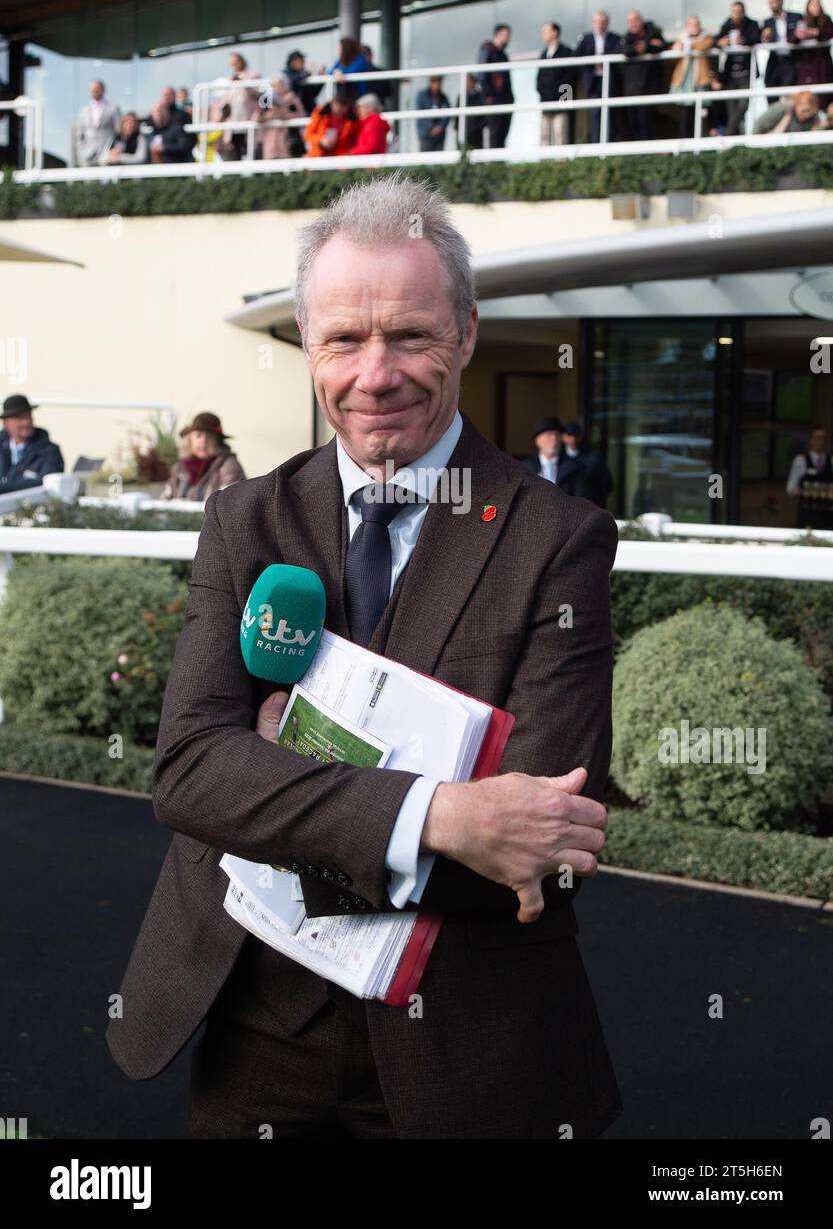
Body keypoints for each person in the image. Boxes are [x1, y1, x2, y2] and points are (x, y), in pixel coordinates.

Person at [106, 174, 622, 1141]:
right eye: (343, 338)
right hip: (254, 1026)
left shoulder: (560, 538)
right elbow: (188, 775)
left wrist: (275, 770)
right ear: (308, 344)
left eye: (411, 336)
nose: (373, 373)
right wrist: (442, 809)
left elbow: (539, 845)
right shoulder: (243, 517)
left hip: (466, 1043)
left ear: (464, 333)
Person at [160, 413, 245, 501]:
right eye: (198, 435)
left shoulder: (228, 465)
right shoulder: (180, 467)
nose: (203, 441)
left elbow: (229, 502)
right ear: (190, 440)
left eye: (209, 436)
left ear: (217, 441)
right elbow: (165, 500)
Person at [620, 10, 670, 140]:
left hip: (649, 84)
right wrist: (638, 48)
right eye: (630, 21)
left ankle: (646, 152)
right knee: (633, 119)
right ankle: (637, 152)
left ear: (641, 21)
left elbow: (662, 46)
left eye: (635, 20)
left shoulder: (654, 32)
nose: (632, 24)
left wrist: (646, 46)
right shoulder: (626, 37)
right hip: (632, 87)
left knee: (646, 118)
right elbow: (625, 51)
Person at [0, 393, 64, 493]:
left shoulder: (50, 451)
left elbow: (45, 484)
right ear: (5, 422)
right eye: (19, 418)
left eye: (28, 416)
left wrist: (5, 486)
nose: (26, 422)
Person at [575, 11, 621, 143]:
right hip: (593, 82)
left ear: (607, 23)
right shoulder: (586, 38)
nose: (600, 25)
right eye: (597, 22)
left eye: (602, 22)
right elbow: (577, 55)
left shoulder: (615, 38)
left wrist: (603, 57)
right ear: (593, 23)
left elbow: (618, 52)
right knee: (595, 113)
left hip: (610, 81)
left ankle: (609, 145)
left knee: (610, 114)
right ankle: (596, 146)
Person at [714, 1, 760, 135]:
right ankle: (736, 141)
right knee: (732, 110)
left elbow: (756, 38)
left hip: (746, 74)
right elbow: (716, 40)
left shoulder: (752, 24)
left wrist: (744, 41)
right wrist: (720, 42)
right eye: (734, 12)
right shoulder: (726, 25)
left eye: (739, 12)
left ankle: (727, 136)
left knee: (743, 106)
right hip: (730, 76)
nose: (737, 15)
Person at [668, 16, 714, 137]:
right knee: (684, 116)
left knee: (701, 115)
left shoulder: (706, 37)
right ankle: (684, 146)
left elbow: (705, 45)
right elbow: (673, 53)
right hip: (684, 83)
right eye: (691, 24)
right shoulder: (681, 39)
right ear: (687, 27)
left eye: (696, 24)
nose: (694, 27)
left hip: (700, 82)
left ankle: (702, 146)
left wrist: (689, 45)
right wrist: (682, 45)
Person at [520, 416, 583, 496]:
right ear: (537, 440)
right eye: (549, 434)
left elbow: (581, 499)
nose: (554, 438)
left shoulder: (574, 467)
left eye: (557, 434)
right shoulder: (525, 467)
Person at [536, 21, 575, 147]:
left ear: (555, 32)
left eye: (545, 31)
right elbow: (539, 78)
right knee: (544, 134)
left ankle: (561, 164)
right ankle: (544, 164)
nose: (543, 34)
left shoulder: (567, 52)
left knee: (560, 133)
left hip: (561, 101)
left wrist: (563, 99)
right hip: (546, 101)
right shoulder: (543, 54)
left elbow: (570, 78)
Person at [786, 425, 833, 529]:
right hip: (807, 514)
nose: (821, 441)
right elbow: (790, 489)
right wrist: (803, 490)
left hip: (828, 514)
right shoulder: (800, 460)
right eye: (817, 438)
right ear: (811, 440)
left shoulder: (831, 461)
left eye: (824, 438)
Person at [476, 23, 513, 148]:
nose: (508, 38)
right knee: (495, 132)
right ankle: (494, 164)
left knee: (503, 132)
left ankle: (499, 164)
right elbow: (482, 74)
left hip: (505, 99)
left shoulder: (503, 55)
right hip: (494, 99)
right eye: (506, 35)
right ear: (498, 34)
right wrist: (488, 95)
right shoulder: (487, 50)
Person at [793, 0, 833, 109]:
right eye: (813, 4)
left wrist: (815, 33)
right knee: (807, 95)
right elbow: (792, 38)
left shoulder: (827, 20)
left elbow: (828, 34)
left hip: (822, 65)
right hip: (807, 66)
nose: (817, 7)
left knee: (824, 97)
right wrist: (798, 35)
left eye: (818, 4)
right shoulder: (802, 21)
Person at [563, 422, 614, 508]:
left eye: (576, 435)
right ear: (563, 437)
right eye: (569, 435)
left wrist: (594, 499)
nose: (573, 439)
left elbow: (607, 483)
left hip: (589, 507)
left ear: (581, 436)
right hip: (563, 508)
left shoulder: (594, 457)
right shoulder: (557, 457)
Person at [253, 75, 305, 160]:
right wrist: (265, 112)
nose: (275, 88)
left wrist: (281, 110)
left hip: (288, 140)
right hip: (270, 141)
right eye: (273, 85)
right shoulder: (266, 100)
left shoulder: (293, 99)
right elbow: (256, 118)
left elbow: (300, 116)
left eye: (279, 85)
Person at [71, 79, 121, 167]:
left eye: (97, 89)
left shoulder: (113, 108)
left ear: (103, 90)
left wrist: (114, 149)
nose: (94, 91)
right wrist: (80, 151)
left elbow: (118, 130)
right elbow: (80, 135)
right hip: (87, 154)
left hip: (107, 152)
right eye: (92, 89)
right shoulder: (84, 111)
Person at [759, 0, 801, 89]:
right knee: (770, 88)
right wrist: (765, 38)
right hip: (775, 60)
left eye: (773, 1)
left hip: (791, 60)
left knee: (789, 91)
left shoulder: (795, 17)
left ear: (781, 0)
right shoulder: (767, 22)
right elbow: (762, 41)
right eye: (769, 2)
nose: (771, 5)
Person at [303, 89, 359, 157]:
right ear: (333, 104)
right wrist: (321, 139)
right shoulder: (320, 113)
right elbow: (308, 134)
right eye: (339, 110)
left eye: (343, 111)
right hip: (318, 154)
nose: (341, 114)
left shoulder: (351, 119)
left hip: (340, 155)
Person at [753, 90, 822, 134]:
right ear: (796, 104)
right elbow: (758, 128)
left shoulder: (813, 117)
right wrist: (787, 116)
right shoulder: (780, 109)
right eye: (804, 111)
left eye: (810, 112)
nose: (807, 115)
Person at [415, 75, 450, 151]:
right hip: (425, 134)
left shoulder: (444, 98)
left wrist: (439, 127)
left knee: (438, 160)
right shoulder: (422, 95)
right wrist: (431, 128)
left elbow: (447, 115)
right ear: (430, 82)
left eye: (439, 81)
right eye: (435, 81)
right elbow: (420, 114)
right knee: (425, 159)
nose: (437, 84)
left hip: (439, 136)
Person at [329, 36, 370, 101]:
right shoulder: (340, 60)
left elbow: (352, 71)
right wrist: (336, 71)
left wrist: (339, 72)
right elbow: (330, 72)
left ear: (346, 49)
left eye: (340, 48)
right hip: (345, 97)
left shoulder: (360, 59)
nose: (339, 51)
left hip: (358, 95)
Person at [456, 73, 486, 149]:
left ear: (474, 82)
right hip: (463, 134)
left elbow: (484, 117)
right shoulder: (461, 97)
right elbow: (456, 118)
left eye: (469, 81)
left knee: (478, 158)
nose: (467, 83)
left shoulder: (480, 97)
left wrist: (477, 128)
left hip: (476, 136)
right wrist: (458, 129)